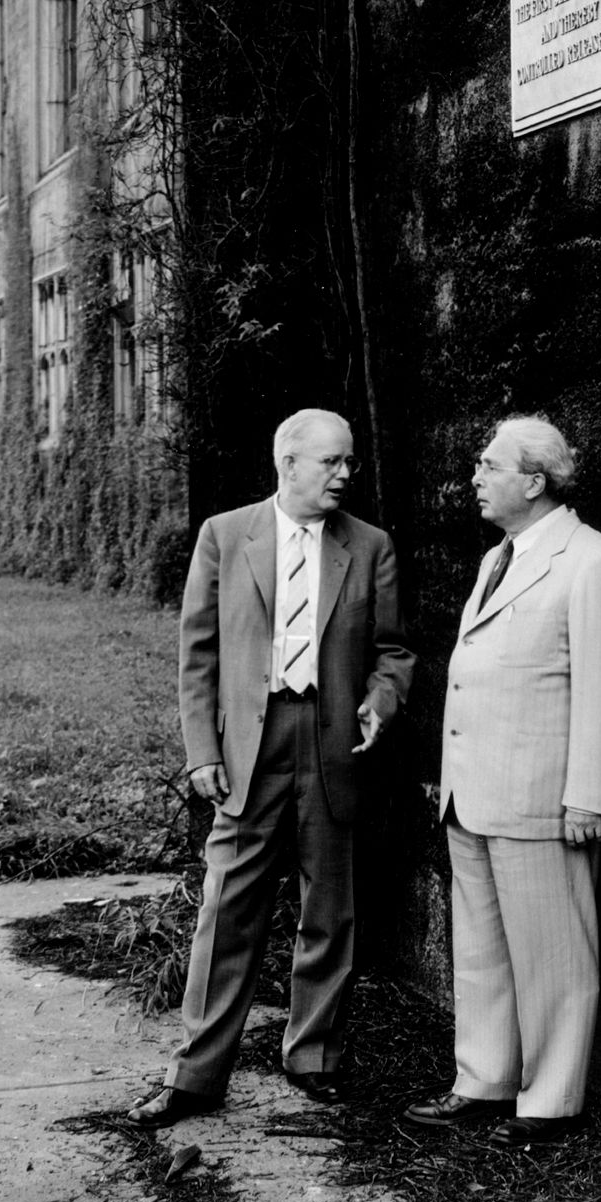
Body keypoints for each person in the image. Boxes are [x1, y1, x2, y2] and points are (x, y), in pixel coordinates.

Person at [129, 407, 415, 1128]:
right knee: (226, 908)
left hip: (332, 740)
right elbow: (197, 652)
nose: (345, 474)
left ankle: (313, 1055)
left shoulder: (369, 545)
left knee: (331, 906)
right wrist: (202, 750)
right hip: (249, 746)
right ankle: (196, 1074)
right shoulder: (226, 535)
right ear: (288, 464)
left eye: (349, 461)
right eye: (330, 461)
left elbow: (394, 651)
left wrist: (380, 700)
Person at [404, 414, 601, 1148]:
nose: (474, 476)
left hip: (542, 798)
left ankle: (551, 1102)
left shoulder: (592, 561)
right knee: (481, 951)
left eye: (490, 465)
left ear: (534, 481)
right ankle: (484, 1080)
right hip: (475, 792)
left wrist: (588, 796)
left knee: (553, 955)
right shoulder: (496, 558)